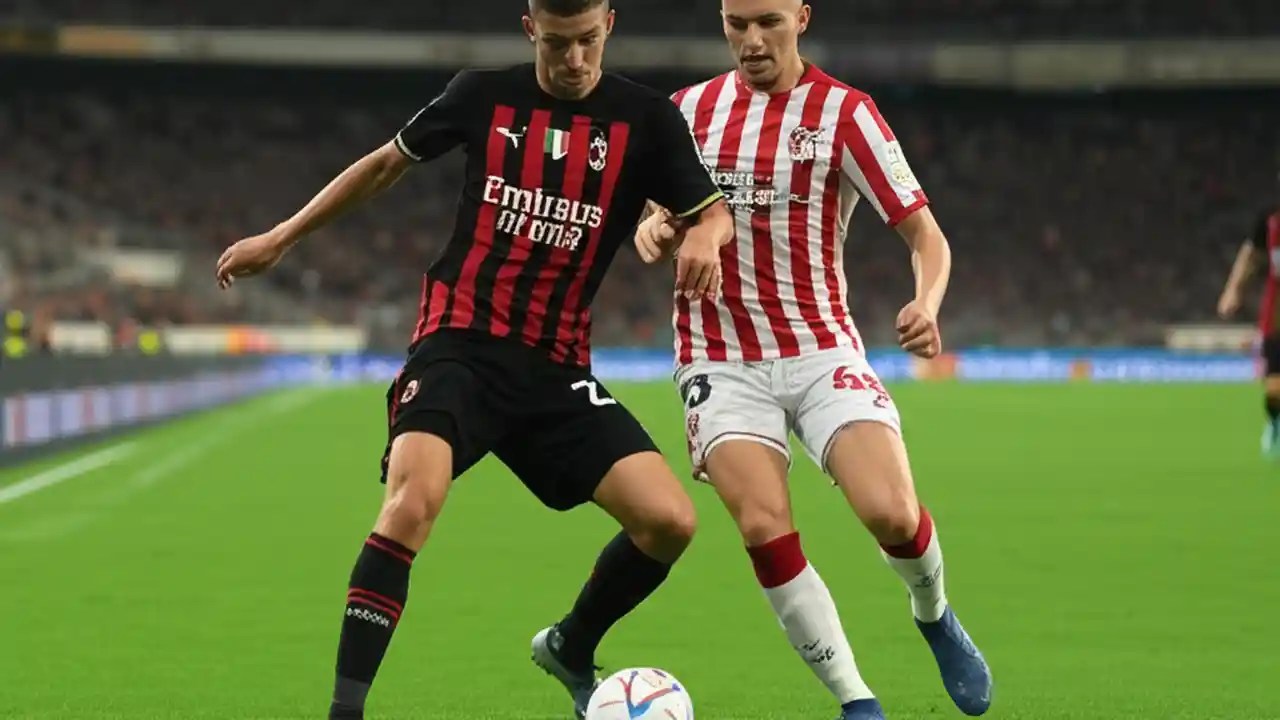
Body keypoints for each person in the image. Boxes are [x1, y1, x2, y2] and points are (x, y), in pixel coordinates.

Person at [214, 1, 732, 717]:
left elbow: (714, 208)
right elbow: (382, 167)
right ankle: (345, 713)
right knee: (411, 504)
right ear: (530, 30)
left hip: (554, 368)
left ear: (609, 24)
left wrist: (706, 233)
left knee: (670, 522)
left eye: (586, 41)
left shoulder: (646, 120)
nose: (574, 60)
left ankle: (570, 645)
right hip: (458, 343)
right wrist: (283, 236)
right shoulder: (481, 95)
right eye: (557, 43)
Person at [633, 1, 992, 718]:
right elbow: (659, 209)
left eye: (767, 20)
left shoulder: (846, 114)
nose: (751, 39)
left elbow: (926, 235)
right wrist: (655, 229)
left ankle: (933, 610)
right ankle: (857, 700)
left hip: (820, 346)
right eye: (736, 23)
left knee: (891, 513)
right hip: (719, 356)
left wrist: (927, 303)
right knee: (764, 525)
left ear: (802, 16)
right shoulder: (687, 111)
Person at [1217, 201, 1280, 455]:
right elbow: (1250, 254)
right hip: (1278, 307)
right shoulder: (1269, 218)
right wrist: (1233, 290)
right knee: (1275, 385)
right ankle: (1275, 422)